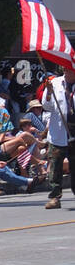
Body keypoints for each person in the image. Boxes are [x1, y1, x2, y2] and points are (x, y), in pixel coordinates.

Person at [42, 63, 75, 209]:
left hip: (74, 130)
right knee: (55, 165)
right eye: (66, 69)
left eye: (71, 70)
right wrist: (49, 93)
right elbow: (46, 106)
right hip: (59, 132)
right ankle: (55, 196)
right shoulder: (54, 83)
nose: (67, 72)